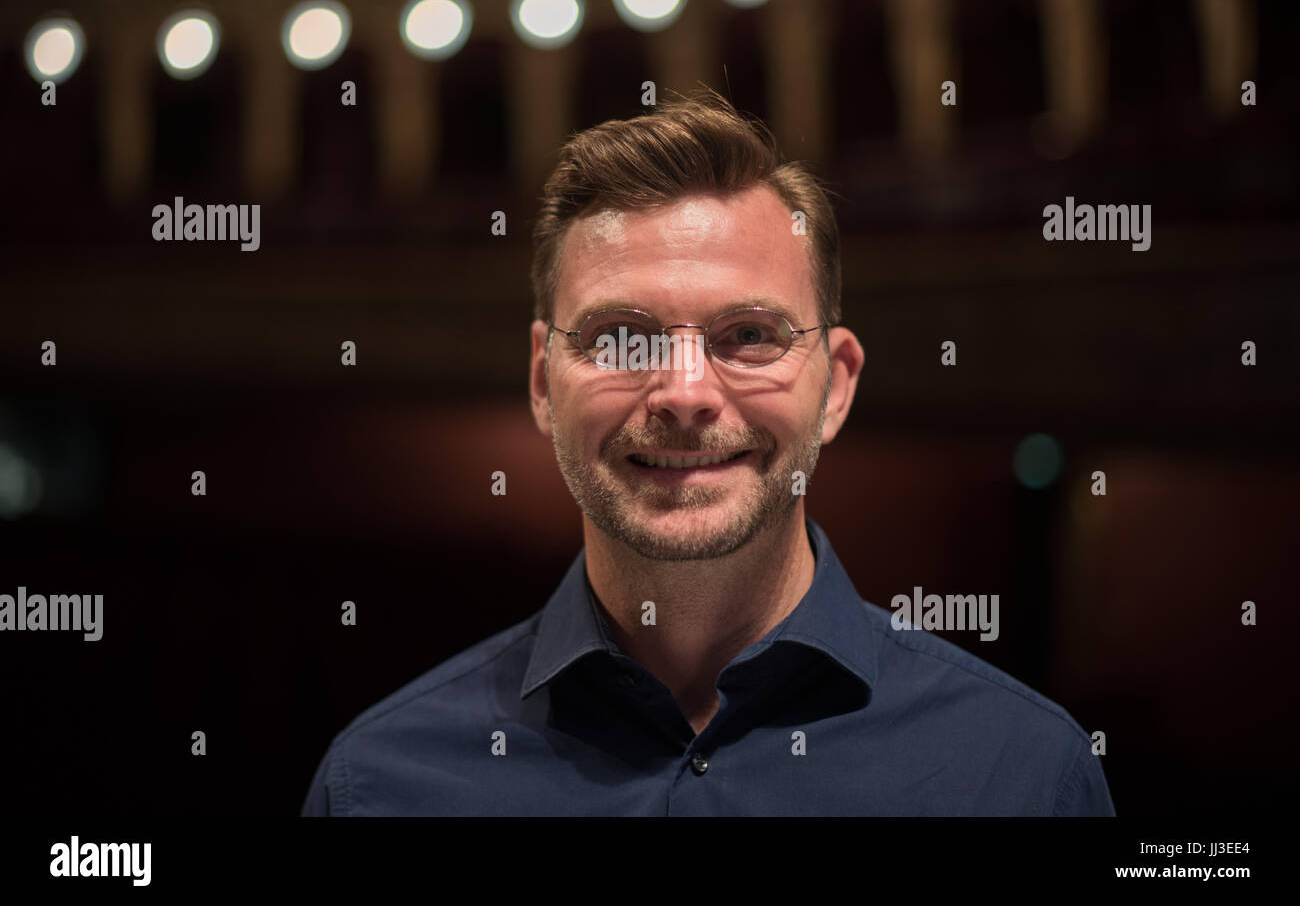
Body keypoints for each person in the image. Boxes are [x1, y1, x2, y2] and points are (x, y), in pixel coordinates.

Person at [301, 88, 1115, 816]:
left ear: (834, 386)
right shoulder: (378, 786)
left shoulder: (1026, 776)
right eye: (621, 338)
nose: (684, 392)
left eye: (750, 335)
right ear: (544, 386)